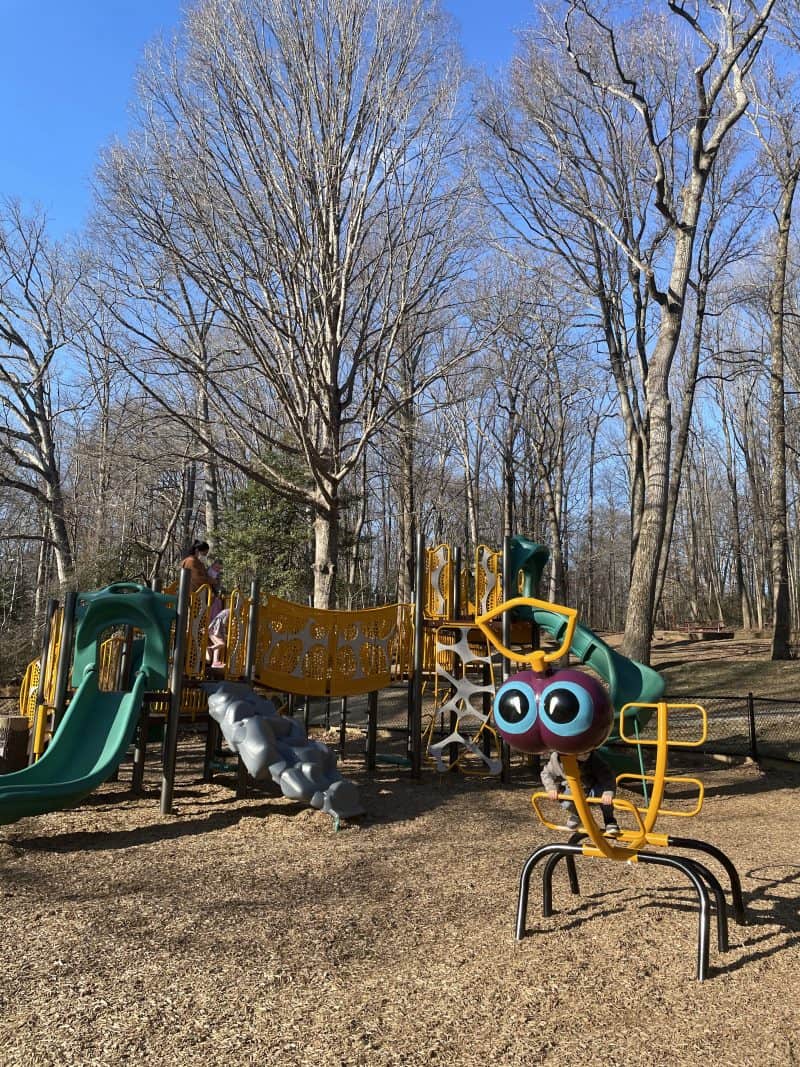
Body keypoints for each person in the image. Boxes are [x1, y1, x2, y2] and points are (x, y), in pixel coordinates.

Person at [540, 749, 620, 837]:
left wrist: (608, 791)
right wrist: (551, 788)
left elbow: (607, 775)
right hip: (573, 789)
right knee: (565, 800)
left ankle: (609, 820)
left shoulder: (593, 757)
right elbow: (546, 773)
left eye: (588, 752)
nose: (586, 755)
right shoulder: (557, 759)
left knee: (605, 798)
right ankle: (577, 815)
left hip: (592, 787)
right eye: (583, 752)